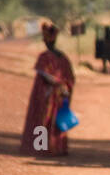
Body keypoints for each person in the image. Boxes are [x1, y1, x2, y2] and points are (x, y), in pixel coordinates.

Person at [20, 23, 76, 156]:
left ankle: (41, 147)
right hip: (61, 94)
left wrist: (55, 85)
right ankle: (58, 147)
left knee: (43, 119)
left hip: (47, 94)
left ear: (46, 40)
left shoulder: (44, 57)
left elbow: (45, 75)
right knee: (57, 121)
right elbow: (70, 76)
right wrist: (64, 88)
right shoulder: (63, 57)